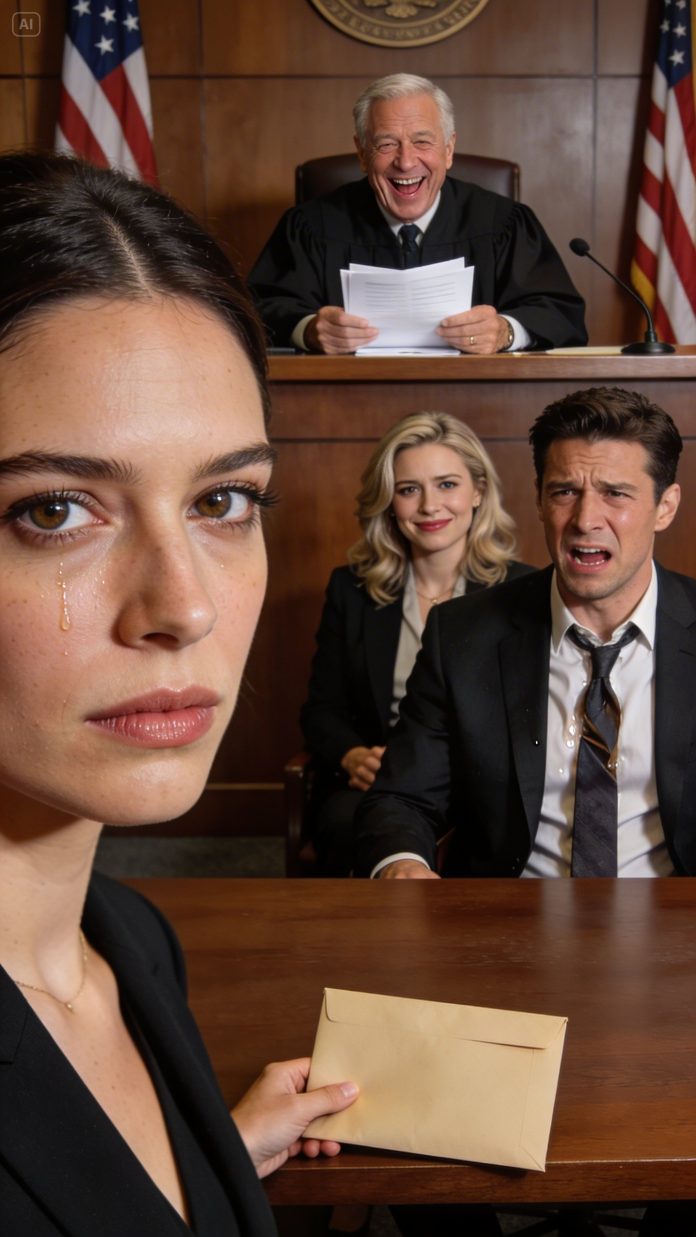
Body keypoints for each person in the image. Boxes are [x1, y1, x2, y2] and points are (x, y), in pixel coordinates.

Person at [0, 151, 358, 1236]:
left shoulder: (133, 940)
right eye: (55, 510)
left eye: (223, 500)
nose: (186, 606)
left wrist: (208, 1160)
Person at [354, 386, 695, 888]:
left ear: (665, 507)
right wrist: (403, 863)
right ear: (539, 499)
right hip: (509, 916)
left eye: (615, 494)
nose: (585, 520)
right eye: (564, 492)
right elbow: (403, 798)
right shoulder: (461, 635)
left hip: (674, 917)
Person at [300, 411, 533, 875]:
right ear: (389, 502)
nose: (429, 506)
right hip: (381, 783)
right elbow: (320, 711)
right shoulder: (351, 591)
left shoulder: (522, 592)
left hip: (483, 787)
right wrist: (352, 756)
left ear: (478, 491)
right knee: (346, 824)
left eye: (447, 484)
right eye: (409, 489)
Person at [248, 73, 587, 356]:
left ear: (449, 150)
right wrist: (308, 330)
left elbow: (561, 314)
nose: (406, 162)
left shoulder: (503, 223)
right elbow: (257, 311)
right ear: (362, 154)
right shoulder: (311, 226)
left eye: (422, 142)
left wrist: (506, 332)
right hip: (344, 400)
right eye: (386, 144)